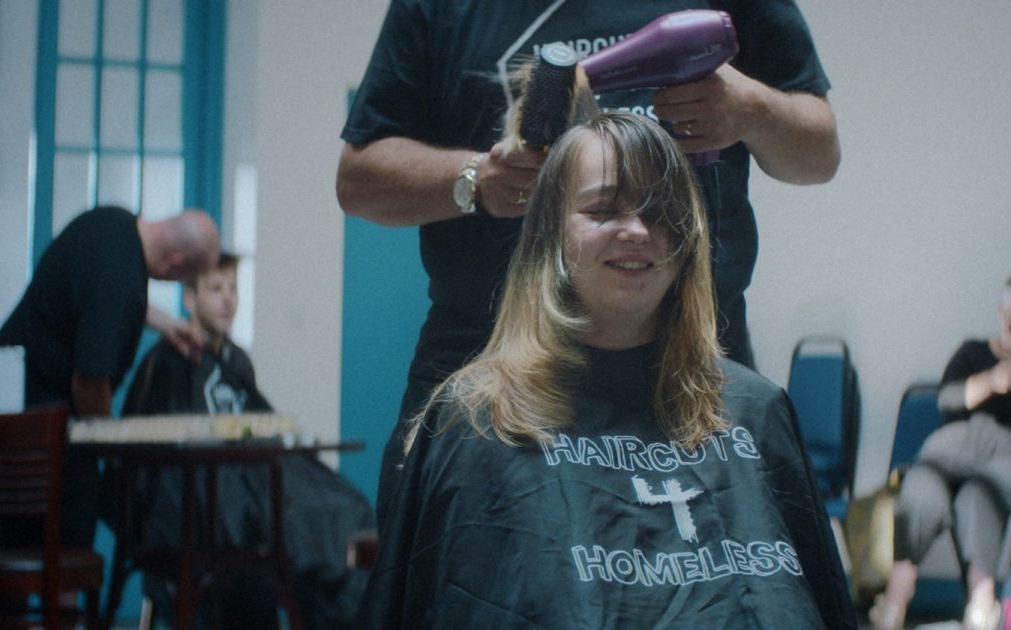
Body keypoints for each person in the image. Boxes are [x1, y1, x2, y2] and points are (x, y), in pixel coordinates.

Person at [336, 0, 841, 525]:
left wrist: (753, 110)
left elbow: (820, 153)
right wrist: (476, 179)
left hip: (691, 371)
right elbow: (357, 180)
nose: (632, 229)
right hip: (487, 370)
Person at [357, 111, 854, 628]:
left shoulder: (756, 411)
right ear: (551, 233)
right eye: (603, 209)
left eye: (660, 210)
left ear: (687, 239)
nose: (637, 230)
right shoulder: (476, 419)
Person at [115, 252, 375, 630]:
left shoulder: (236, 362)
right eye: (215, 289)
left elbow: (261, 425)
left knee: (345, 507)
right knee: (285, 522)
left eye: (232, 289)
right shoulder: (168, 361)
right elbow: (155, 461)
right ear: (189, 298)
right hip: (200, 503)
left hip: (248, 487)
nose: (227, 299)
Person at [0, 205, 220, 548]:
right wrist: (112, 447)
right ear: (175, 262)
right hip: (51, 436)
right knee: (63, 556)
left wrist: (169, 325)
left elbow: (101, 297)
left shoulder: (112, 223)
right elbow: (88, 383)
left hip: (11, 426)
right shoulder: (120, 279)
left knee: (15, 555)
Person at [869, 279, 1011, 630]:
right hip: (953, 450)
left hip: (1000, 460)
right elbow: (947, 398)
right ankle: (896, 598)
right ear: (1000, 314)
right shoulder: (973, 352)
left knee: (978, 498)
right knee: (920, 487)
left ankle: (982, 604)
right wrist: (992, 381)